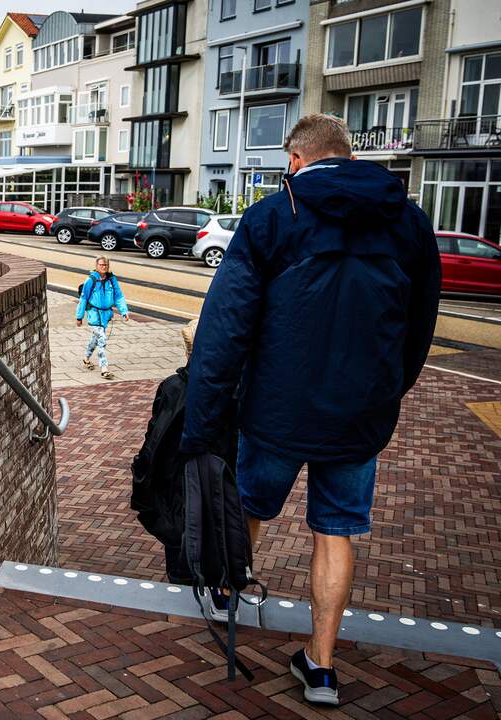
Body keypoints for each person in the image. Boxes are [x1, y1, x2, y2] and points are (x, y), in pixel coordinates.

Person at [180, 114, 440, 706]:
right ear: (346, 157)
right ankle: (321, 668)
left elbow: (226, 327)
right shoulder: (409, 221)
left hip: (277, 410)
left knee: (246, 503)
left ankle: (228, 594)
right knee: (337, 529)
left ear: (296, 160)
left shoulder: (273, 216)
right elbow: (419, 323)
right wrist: (389, 392)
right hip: (359, 417)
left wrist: (204, 418)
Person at [75, 256, 129, 380]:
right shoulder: (91, 280)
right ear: (96, 265)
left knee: (96, 338)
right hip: (94, 313)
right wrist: (79, 316)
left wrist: (124, 311)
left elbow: (118, 296)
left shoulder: (112, 279)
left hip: (106, 315)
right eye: (101, 265)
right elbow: (83, 299)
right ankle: (104, 368)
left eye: (105, 265)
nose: (103, 267)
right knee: (102, 339)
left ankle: (86, 358)